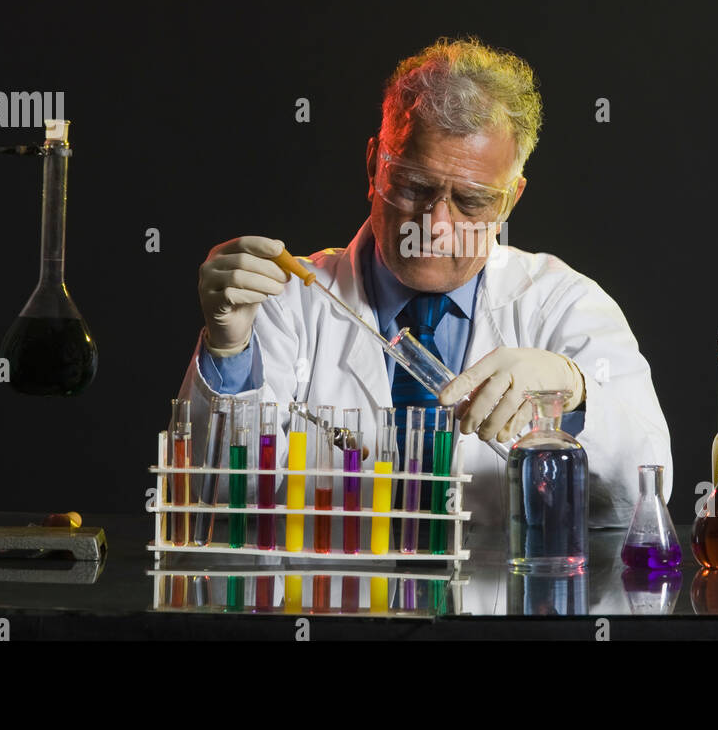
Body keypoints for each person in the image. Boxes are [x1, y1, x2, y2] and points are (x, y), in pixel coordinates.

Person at [177, 37, 671, 530]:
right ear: (375, 167)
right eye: (414, 186)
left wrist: (575, 391)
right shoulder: (286, 303)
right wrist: (229, 350)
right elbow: (220, 498)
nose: (435, 225)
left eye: (471, 201)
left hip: (498, 605)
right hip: (332, 606)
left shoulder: (563, 305)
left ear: (509, 203)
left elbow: (646, 490)